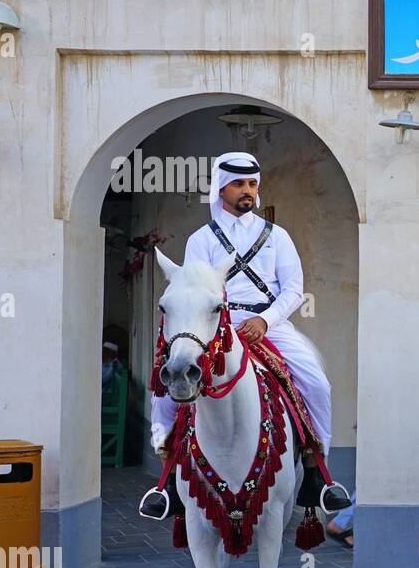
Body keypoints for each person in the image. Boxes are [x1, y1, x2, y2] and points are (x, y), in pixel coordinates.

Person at [140, 152, 351, 518]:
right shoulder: (201, 239)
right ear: (221, 188)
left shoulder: (277, 236)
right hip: (215, 325)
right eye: (239, 184)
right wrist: (221, 323)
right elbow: (194, 290)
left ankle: (317, 473)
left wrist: (265, 322)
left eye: (252, 184)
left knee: (316, 382)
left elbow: (293, 289)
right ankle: (169, 478)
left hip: (268, 323)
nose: (247, 191)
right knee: (166, 390)